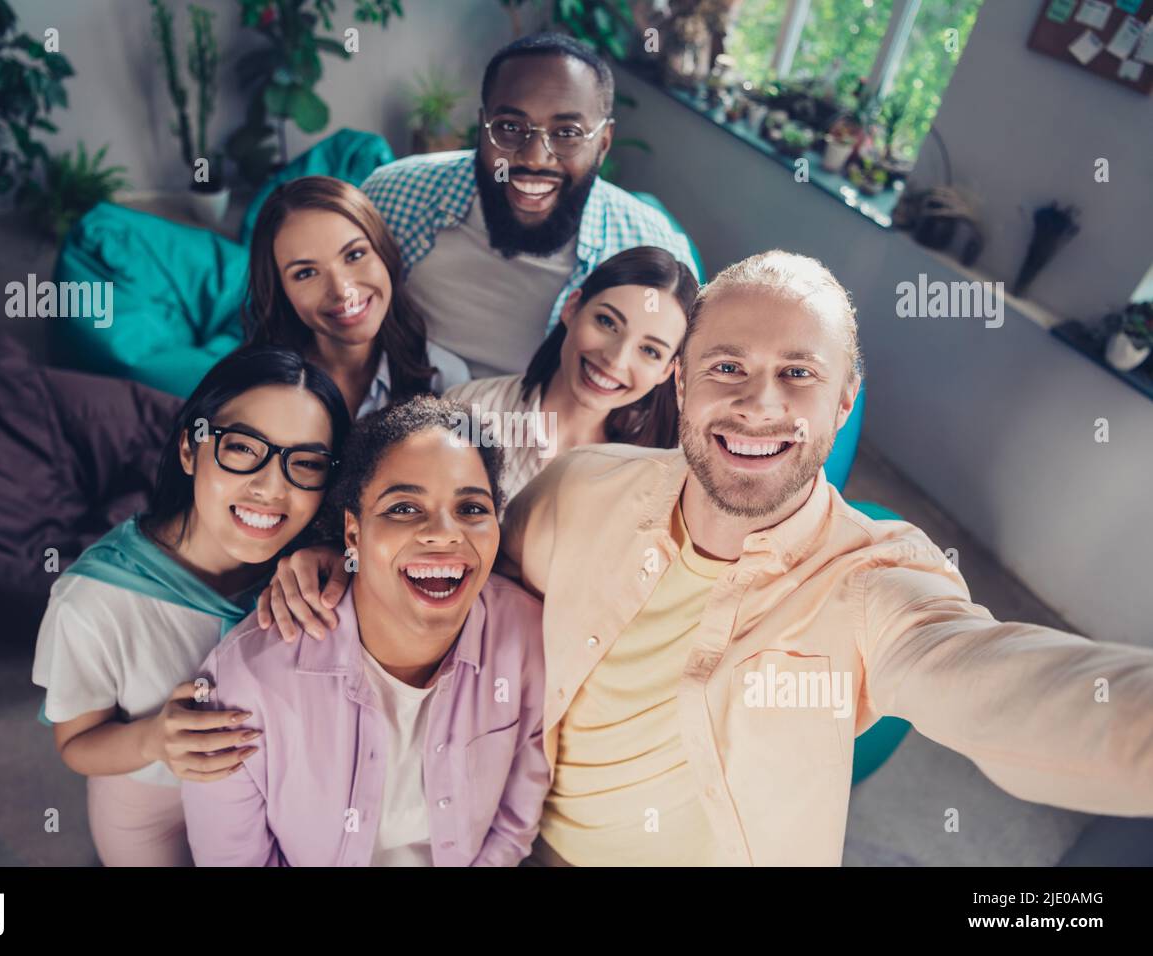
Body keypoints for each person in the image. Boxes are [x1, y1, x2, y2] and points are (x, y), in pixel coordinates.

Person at [249, 251, 1153, 866]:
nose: (758, 404)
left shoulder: (877, 584)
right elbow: (455, 585)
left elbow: (1006, 691)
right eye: (726, 368)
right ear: (681, 385)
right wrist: (335, 555)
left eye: (799, 374)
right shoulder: (586, 485)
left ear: (844, 403)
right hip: (506, 837)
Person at [181, 396, 548, 866]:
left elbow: (513, 825)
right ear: (353, 534)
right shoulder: (247, 680)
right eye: (403, 509)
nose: (443, 533)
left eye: (472, 509)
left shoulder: (526, 637)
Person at [31, 346, 350, 866]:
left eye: (307, 463)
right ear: (189, 448)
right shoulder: (92, 602)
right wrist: (154, 740)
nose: (271, 489)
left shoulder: (323, 565)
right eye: (244, 448)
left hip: (288, 800)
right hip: (157, 814)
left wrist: (344, 559)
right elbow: (77, 744)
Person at [361, 32, 699, 378]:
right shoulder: (394, 194)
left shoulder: (653, 250)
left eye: (566, 133)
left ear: (603, 142)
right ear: (482, 126)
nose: (536, 158)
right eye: (510, 127)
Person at [445, 245, 695, 504]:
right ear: (572, 308)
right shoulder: (472, 413)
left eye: (650, 351)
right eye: (607, 322)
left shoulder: (671, 465)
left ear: (667, 370)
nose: (616, 360)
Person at [243, 175, 469, 419]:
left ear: (384, 251)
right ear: (280, 290)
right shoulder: (252, 389)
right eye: (306, 273)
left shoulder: (445, 379)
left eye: (354, 255)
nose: (342, 290)